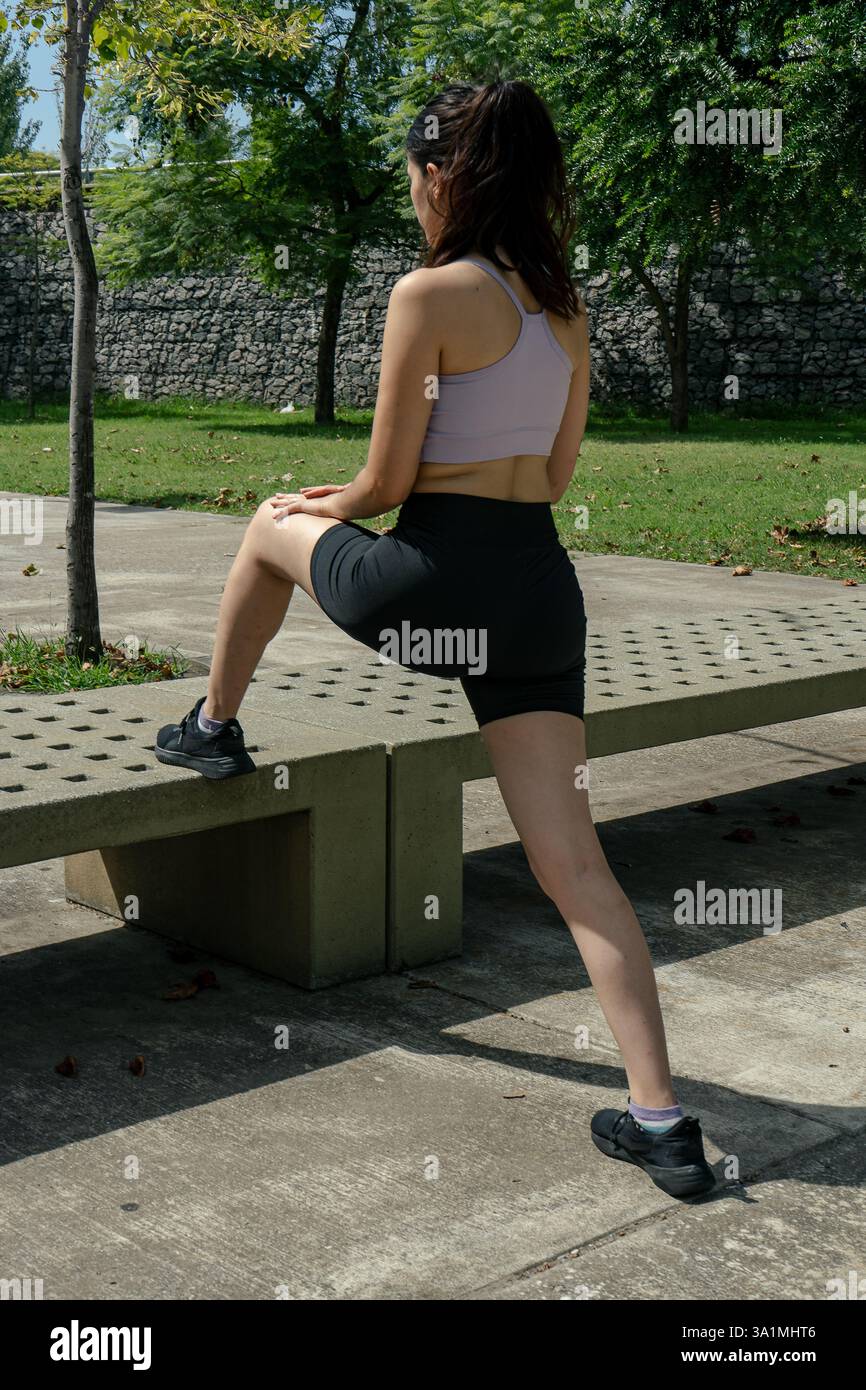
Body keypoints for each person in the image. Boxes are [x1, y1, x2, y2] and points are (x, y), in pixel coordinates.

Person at [155, 80, 715, 1199]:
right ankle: (662, 1121)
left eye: (418, 172)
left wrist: (331, 501)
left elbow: (389, 479)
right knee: (577, 870)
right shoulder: (564, 307)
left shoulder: (426, 294)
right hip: (537, 593)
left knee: (269, 524)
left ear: (445, 175)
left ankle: (213, 725)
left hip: (426, 583)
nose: (413, 192)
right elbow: (554, 476)